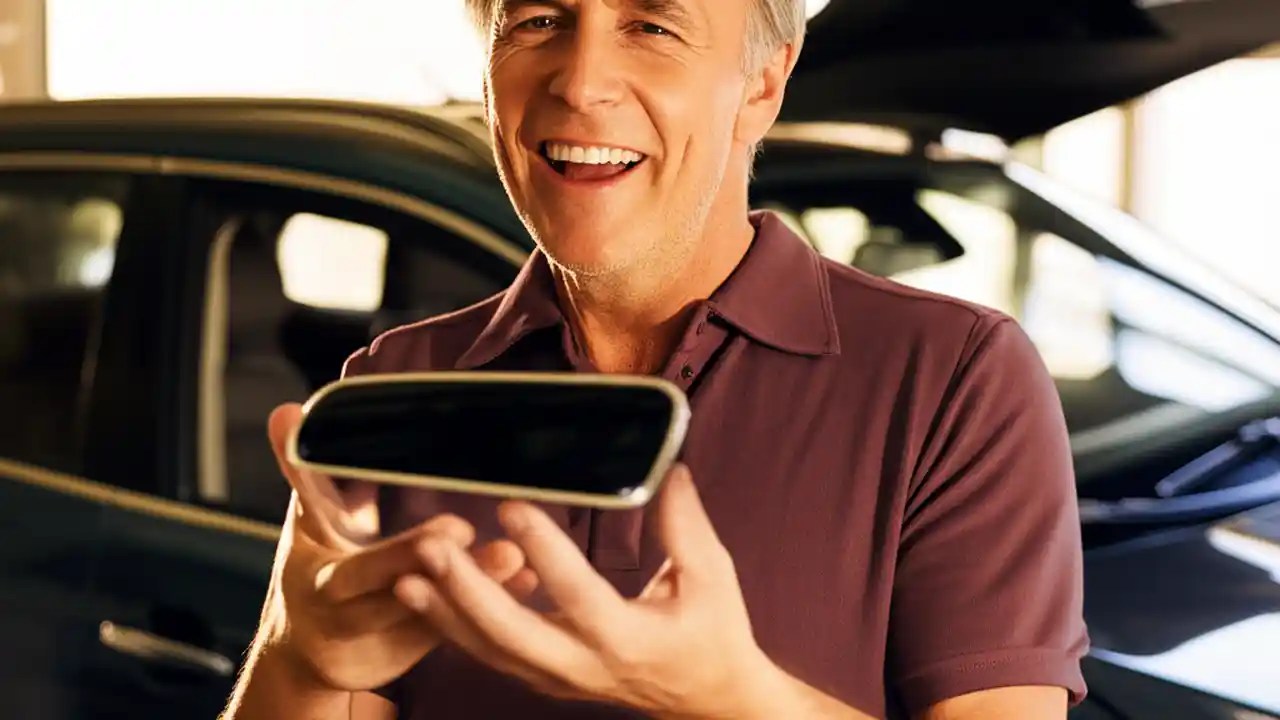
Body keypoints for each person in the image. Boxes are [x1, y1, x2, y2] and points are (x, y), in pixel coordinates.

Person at [221, 0, 1089, 718]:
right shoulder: (396, 387)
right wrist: (304, 664)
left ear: (762, 83)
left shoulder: (956, 379)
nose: (581, 80)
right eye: (538, 21)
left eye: (653, 25)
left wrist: (735, 699)